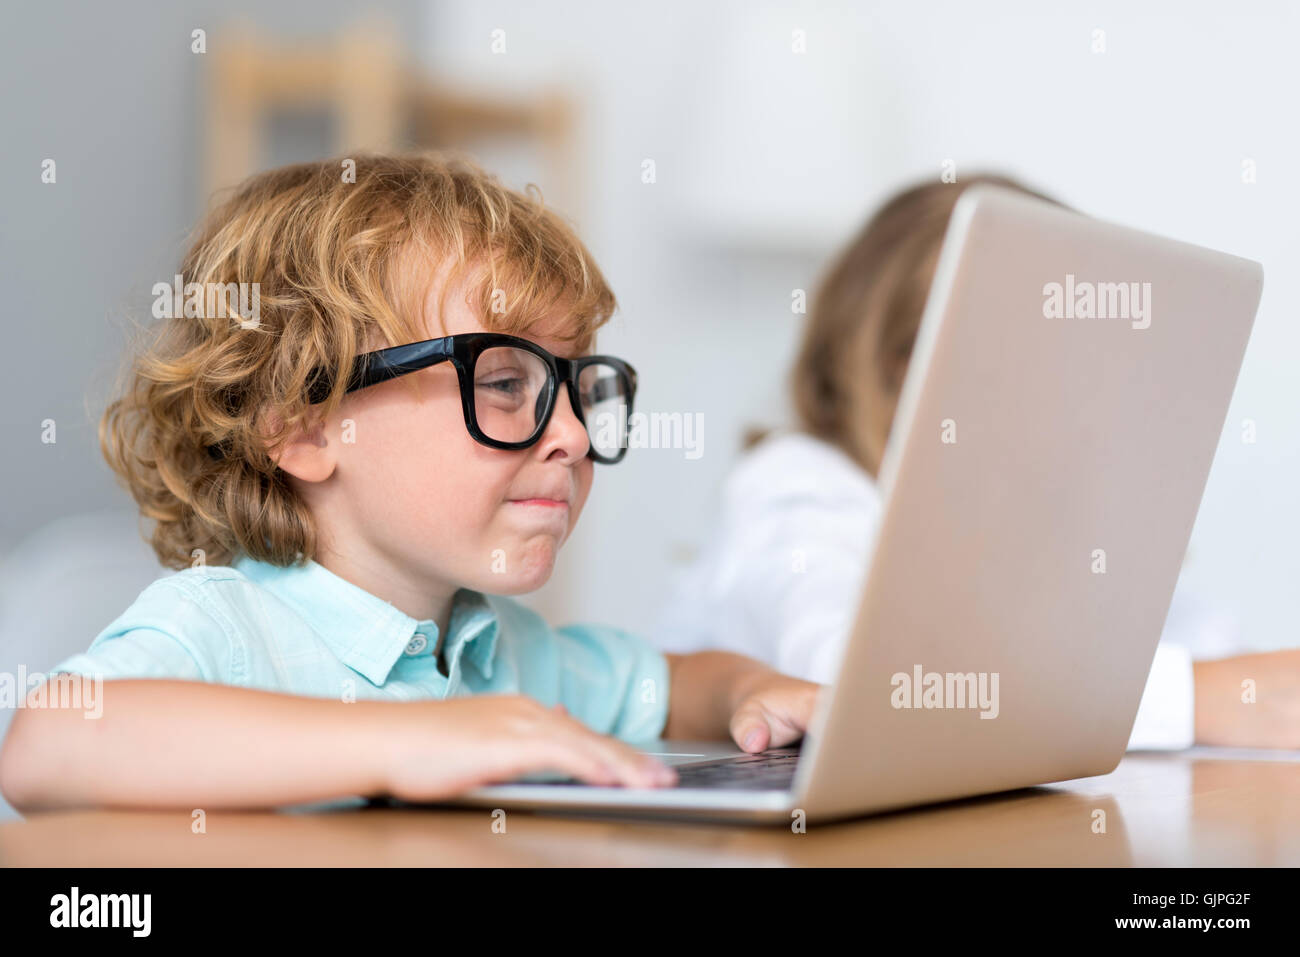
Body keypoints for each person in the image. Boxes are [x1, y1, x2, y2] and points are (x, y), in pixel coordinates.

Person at [0, 153, 822, 812]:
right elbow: (49, 743)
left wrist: (752, 691)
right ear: (305, 426)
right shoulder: (223, 628)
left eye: (576, 388)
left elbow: (671, 685)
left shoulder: (505, 652)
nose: (572, 434)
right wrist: (412, 739)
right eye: (505, 382)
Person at [652, 174, 1300, 751]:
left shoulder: (1034, 512)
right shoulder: (794, 486)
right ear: (895, 367)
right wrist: (1198, 699)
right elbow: (867, 683)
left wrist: (1244, 686)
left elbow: (1202, 645)